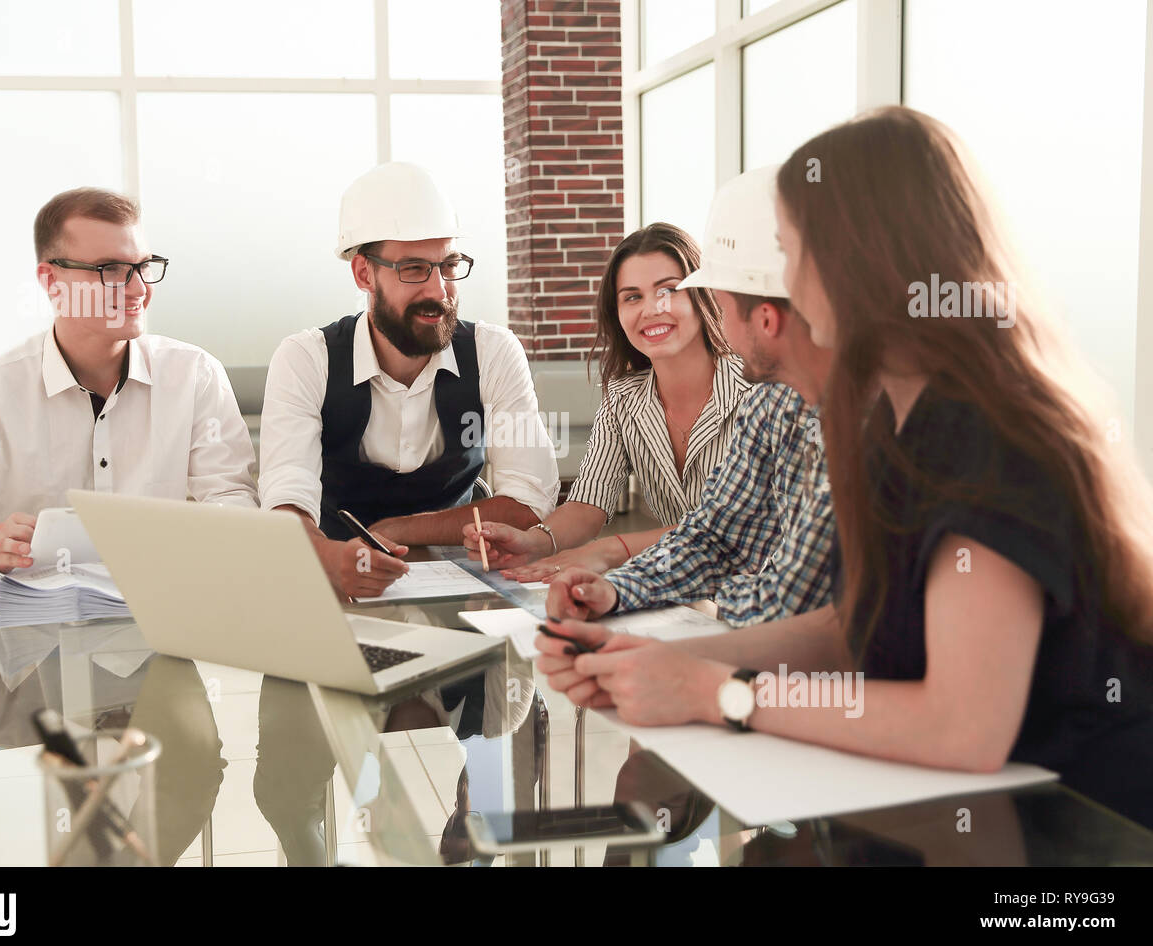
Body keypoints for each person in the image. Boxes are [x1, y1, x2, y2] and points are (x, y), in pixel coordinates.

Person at [536, 107, 1153, 836]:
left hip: (1084, 841)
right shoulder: (904, 418)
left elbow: (965, 726)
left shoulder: (984, 433)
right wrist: (646, 660)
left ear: (861, 267)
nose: (786, 283)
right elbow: (851, 629)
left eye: (796, 252)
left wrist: (721, 694)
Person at [0, 187, 258, 582]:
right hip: (33, 627)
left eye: (144, 266)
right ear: (51, 281)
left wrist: (202, 534)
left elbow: (233, 501)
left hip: (162, 612)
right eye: (111, 270)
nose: (138, 289)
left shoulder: (195, 375)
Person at [544, 167, 835, 627]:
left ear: (765, 314)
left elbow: (792, 598)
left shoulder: (856, 416)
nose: (721, 323)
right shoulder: (772, 408)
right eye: (633, 297)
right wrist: (618, 589)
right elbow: (718, 538)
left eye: (713, 298)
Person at [260, 162, 559, 598]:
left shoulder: (493, 352)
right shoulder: (306, 359)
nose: (439, 290)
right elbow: (285, 499)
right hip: (328, 579)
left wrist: (397, 529)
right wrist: (328, 560)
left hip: (461, 584)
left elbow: (530, 501)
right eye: (415, 269)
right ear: (364, 274)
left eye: (449, 265)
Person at [459, 223, 752, 580]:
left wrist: (609, 551)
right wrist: (533, 541)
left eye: (668, 290)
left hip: (775, 602)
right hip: (683, 593)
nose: (651, 309)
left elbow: (732, 527)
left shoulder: (757, 390)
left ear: (702, 294)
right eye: (632, 297)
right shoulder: (623, 398)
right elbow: (589, 502)